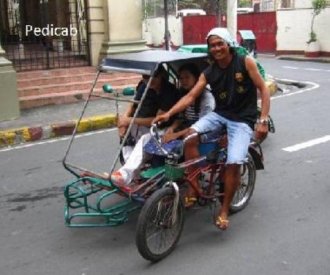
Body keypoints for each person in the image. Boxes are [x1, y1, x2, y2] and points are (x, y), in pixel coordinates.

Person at [153, 27, 270, 230]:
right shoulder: (210, 71)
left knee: (233, 162)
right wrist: (169, 113)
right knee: (189, 137)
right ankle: (193, 188)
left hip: (242, 120)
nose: (216, 48)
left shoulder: (245, 62)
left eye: (219, 44)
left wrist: (263, 120)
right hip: (220, 115)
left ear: (228, 44)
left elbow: (264, 89)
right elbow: (190, 96)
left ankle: (224, 210)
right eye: (212, 45)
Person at [111, 63, 215, 186]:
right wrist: (172, 129)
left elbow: (202, 125)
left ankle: (136, 174)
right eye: (181, 78)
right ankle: (126, 174)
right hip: (183, 130)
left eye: (187, 77)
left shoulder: (206, 98)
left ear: (197, 78)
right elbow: (180, 117)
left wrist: (175, 135)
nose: (184, 81)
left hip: (200, 134)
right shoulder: (183, 94)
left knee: (158, 141)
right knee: (147, 139)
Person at [110, 65, 181, 184]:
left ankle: (124, 174)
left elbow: (157, 120)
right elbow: (133, 105)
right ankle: (132, 173)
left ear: (161, 76)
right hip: (142, 124)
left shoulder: (169, 91)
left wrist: (129, 121)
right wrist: (124, 121)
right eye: (146, 77)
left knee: (144, 140)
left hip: (162, 128)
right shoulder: (143, 86)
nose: (150, 80)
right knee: (127, 135)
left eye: (154, 76)